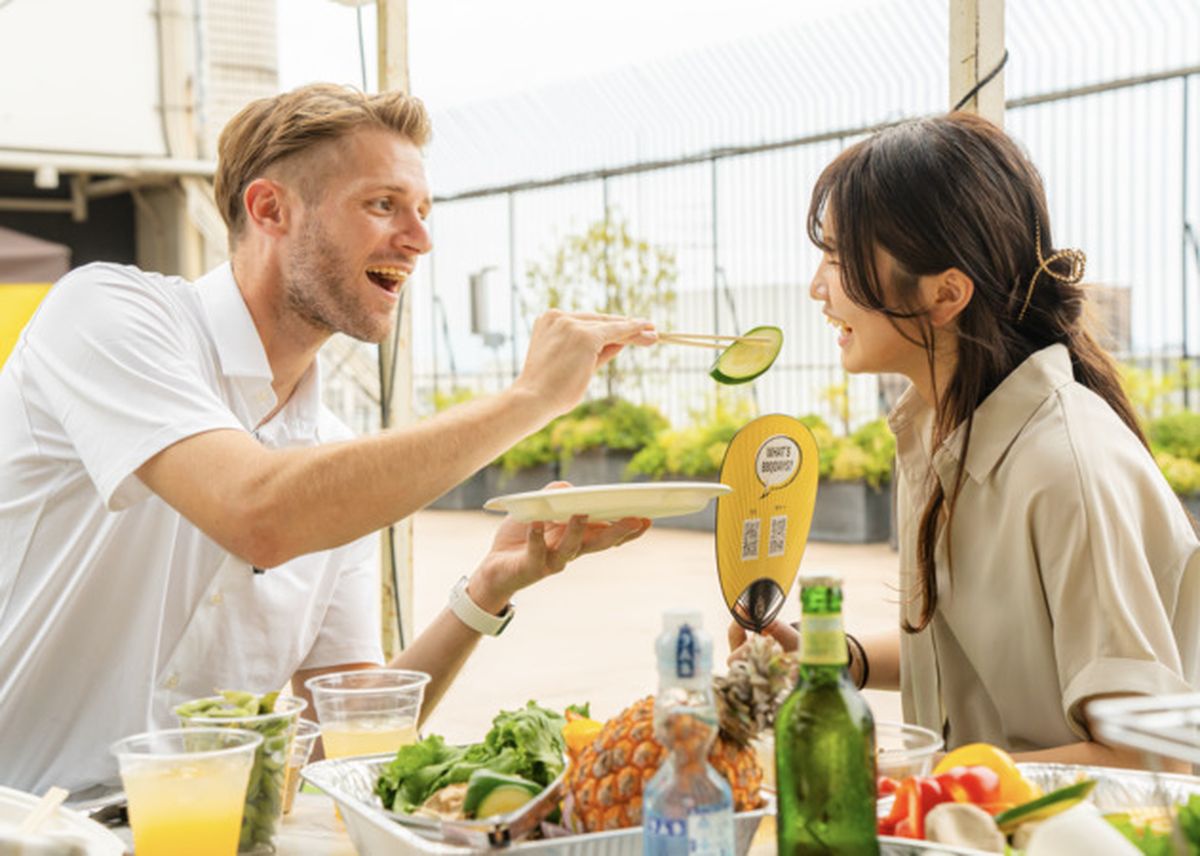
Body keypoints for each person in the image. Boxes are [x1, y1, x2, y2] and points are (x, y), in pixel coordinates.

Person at [0, 83, 659, 796]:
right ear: (270, 209)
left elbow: (343, 730)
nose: (420, 238)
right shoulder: (107, 313)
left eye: (424, 211)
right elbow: (259, 514)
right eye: (384, 204)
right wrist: (531, 399)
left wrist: (483, 593)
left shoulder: (333, 461)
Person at [733, 111, 1199, 769]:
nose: (817, 286)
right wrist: (844, 658)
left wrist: (926, 781)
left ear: (945, 293)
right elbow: (978, 656)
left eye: (839, 258)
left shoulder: (1066, 471)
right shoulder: (936, 433)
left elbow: (1156, 760)